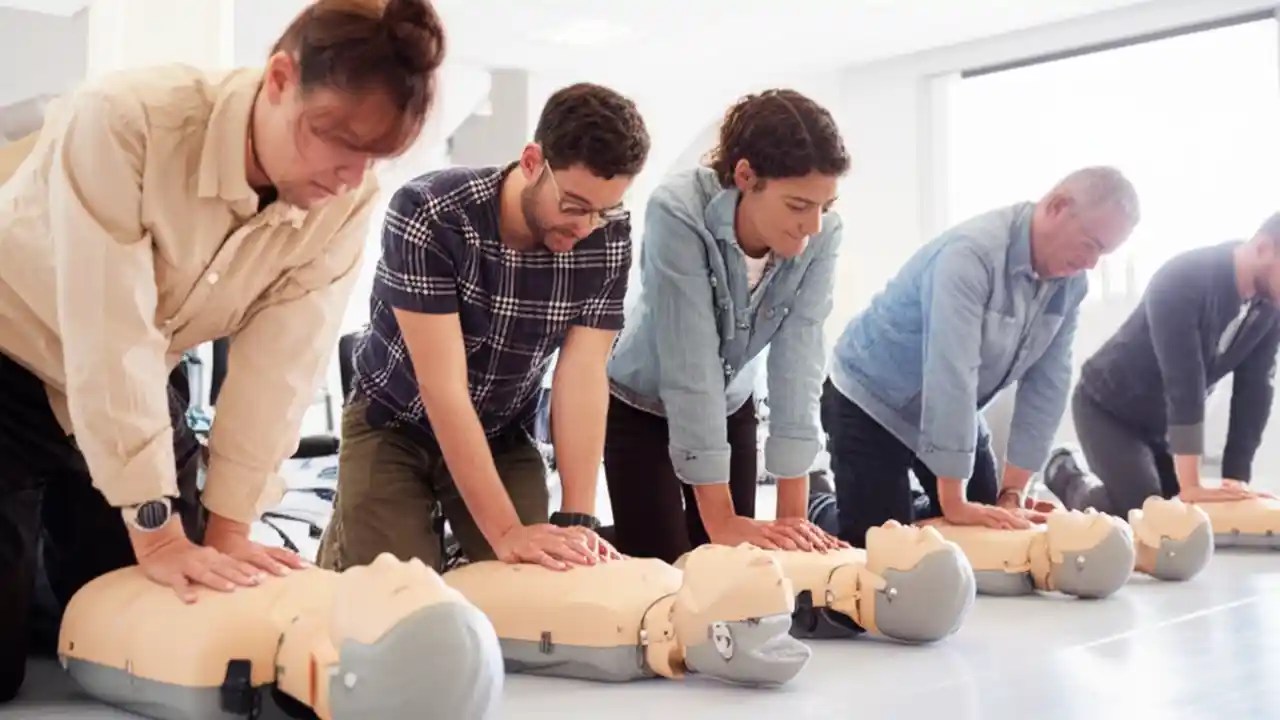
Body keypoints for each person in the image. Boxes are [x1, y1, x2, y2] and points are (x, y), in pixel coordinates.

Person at [0, 0, 445, 702]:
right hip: (12, 357)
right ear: (279, 78)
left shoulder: (346, 200)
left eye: (374, 158)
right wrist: (158, 532)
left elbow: (280, 369)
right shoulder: (125, 121)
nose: (349, 176)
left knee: (159, 620)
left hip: (139, 381)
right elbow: (109, 333)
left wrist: (229, 529)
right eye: (334, 138)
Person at [317, 83, 651, 575]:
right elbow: (443, 388)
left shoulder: (607, 236)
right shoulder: (430, 212)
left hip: (501, 431)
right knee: (399, 590)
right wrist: (506, 531)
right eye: (574, 205)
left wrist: (577, 519)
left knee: (537, 574)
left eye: (603, 211)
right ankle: (349, 539)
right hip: (394, 424)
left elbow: (582, 374)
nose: (586, 227)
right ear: (532, 162)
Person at [808, 167, 1140, 547]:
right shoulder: (971, 255)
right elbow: (952, 372)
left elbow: (1048, 384)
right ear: (1057, 207)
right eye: (1091, 244)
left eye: (1103, 253)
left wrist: (1013, 493)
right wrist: (954, 503)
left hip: (954, 408)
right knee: (884, 545)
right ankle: (820, 503)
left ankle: (900, 503)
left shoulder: (1070, 284)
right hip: (871, 400)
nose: (1092, 263)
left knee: (987, 529)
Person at [602, 89, 849, 564]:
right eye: (798, 205)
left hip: (732, 404)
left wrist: (794, 528)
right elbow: (690, 366)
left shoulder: (823, 235)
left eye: (825, 205)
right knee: (668, 570)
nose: (814, 225)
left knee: (741, 571)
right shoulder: (677, 210)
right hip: (641, 406)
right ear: (745, 176)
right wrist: (721, 524)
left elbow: (799, 363)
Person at [1044, 213, 1280, 517]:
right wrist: (1192, 486)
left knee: (1180, 517)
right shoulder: (1184, 278)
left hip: (1162, 425)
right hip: (1108, 410)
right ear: (1263, 248)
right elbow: (1185, 383)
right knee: (1146, 513)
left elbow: (1255, 389)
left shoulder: (1270, 305)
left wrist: (1236, 482)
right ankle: (1067, 475)